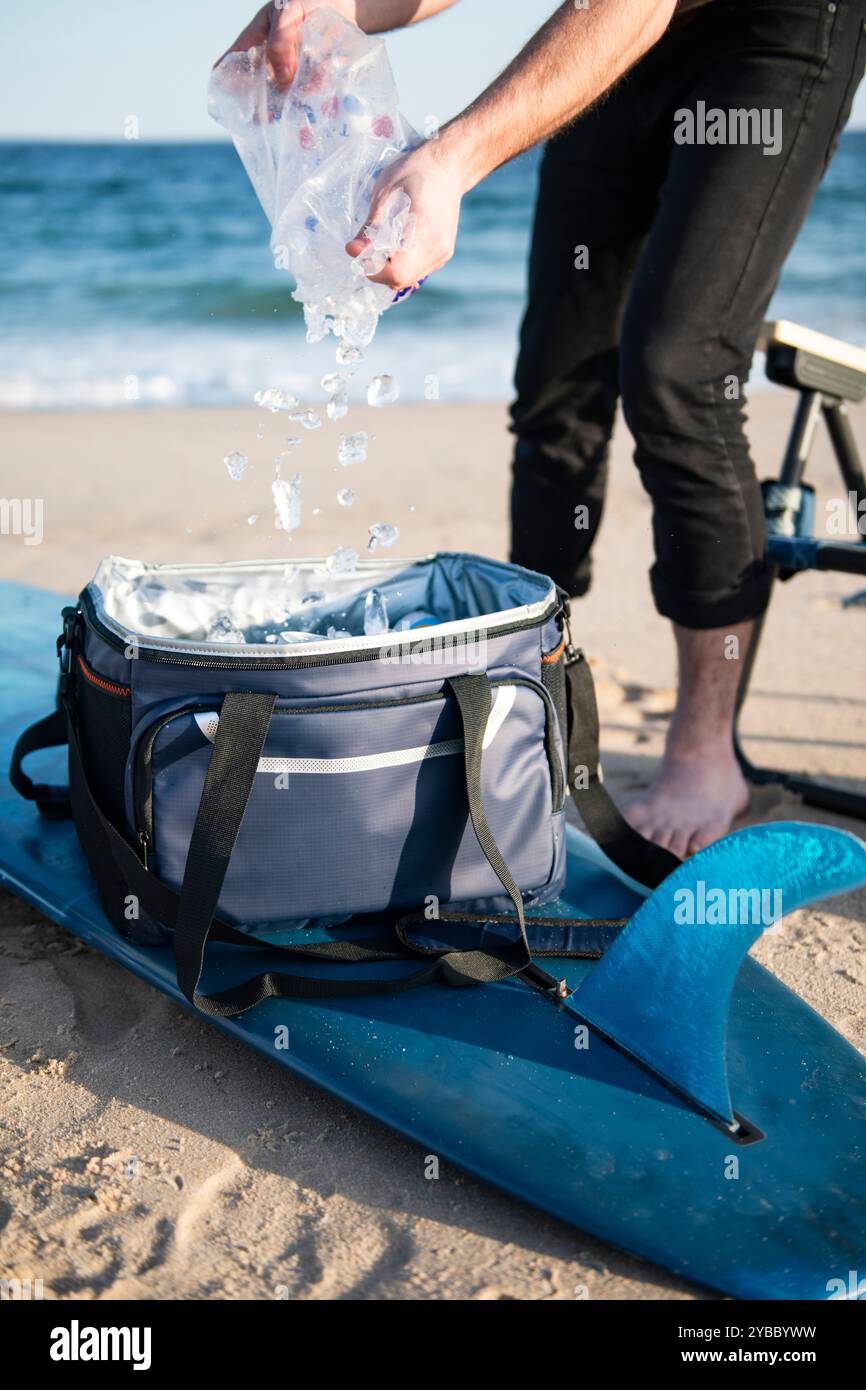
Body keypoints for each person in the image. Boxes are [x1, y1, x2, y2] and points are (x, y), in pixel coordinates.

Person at [223, 0, 866, 857]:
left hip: (774, 26)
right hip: (610, 37)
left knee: (677, 367)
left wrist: (449, 159)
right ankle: (526, 698)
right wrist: (332, 9)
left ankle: (707, 749)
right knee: (557, 383)